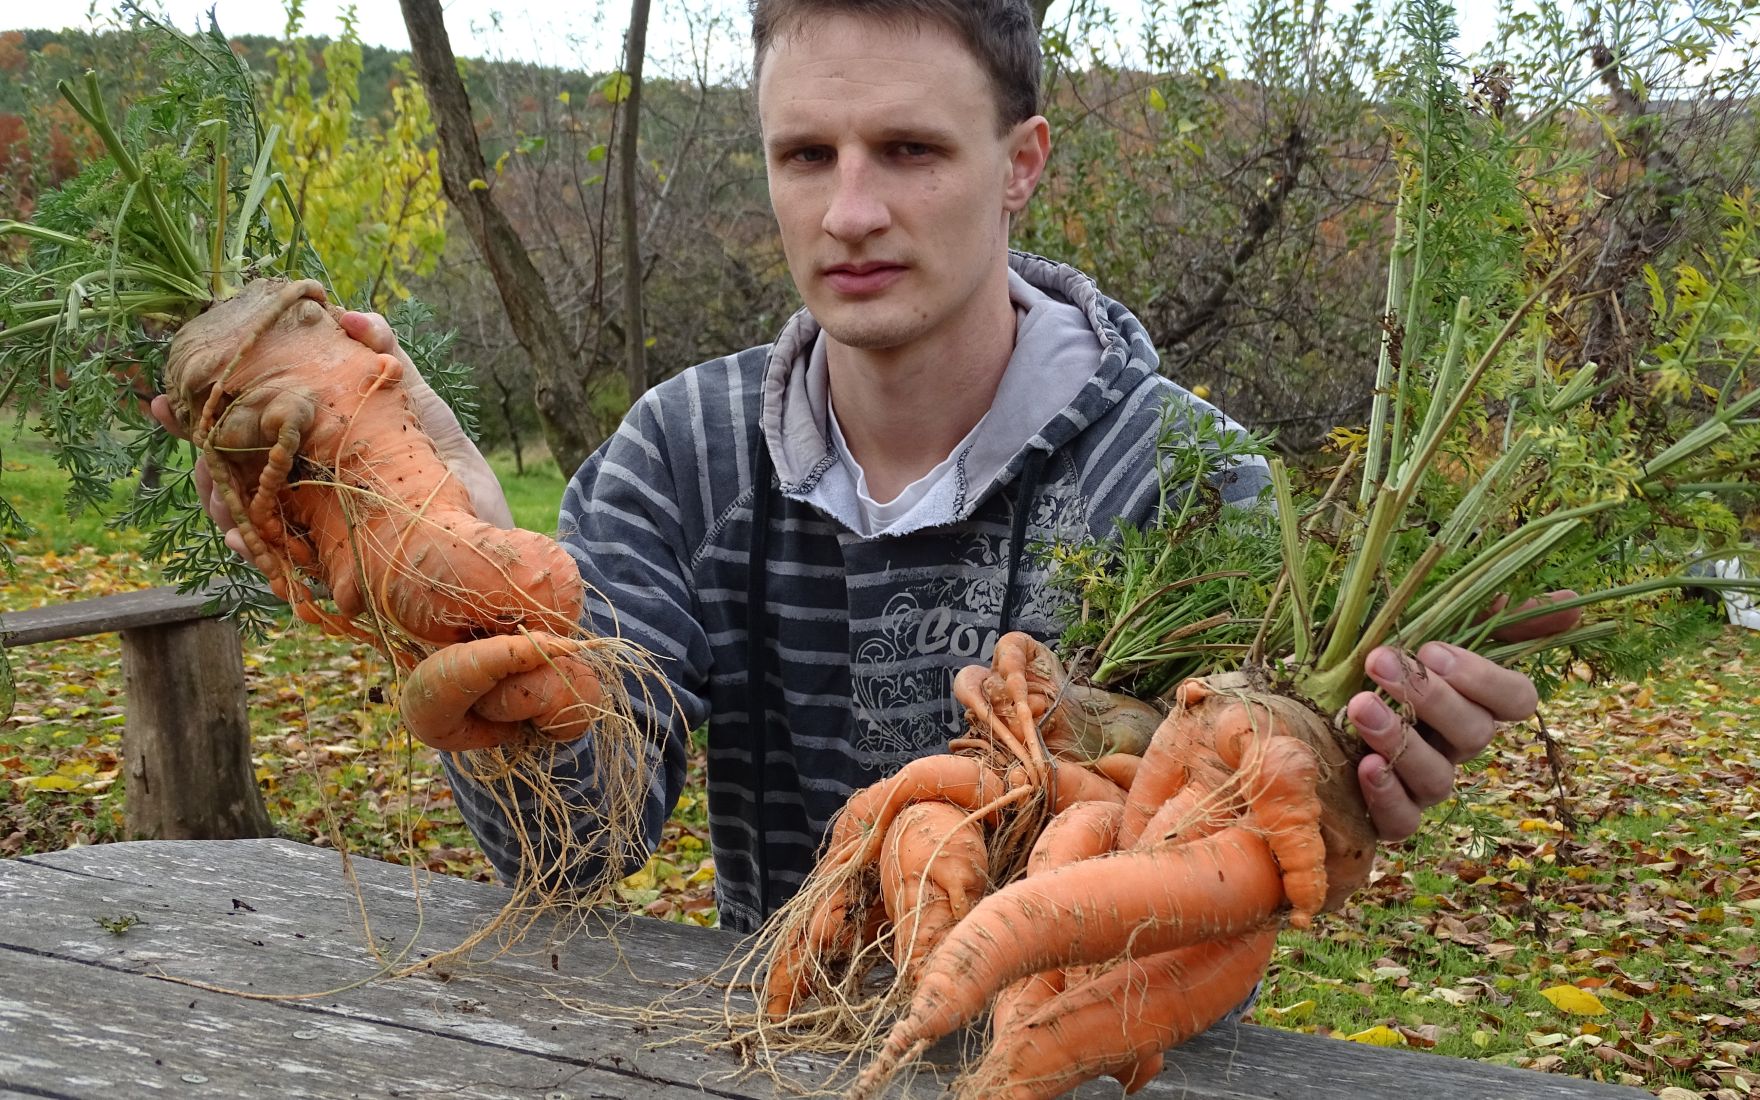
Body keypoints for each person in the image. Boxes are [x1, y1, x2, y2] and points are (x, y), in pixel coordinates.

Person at [156, 0, 1570, 934]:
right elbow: (576, 854)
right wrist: (461, 587)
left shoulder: (1186, 473)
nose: (847, 211)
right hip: (765, 1058)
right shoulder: (679, 456)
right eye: (805, 154)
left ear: (1019, 165)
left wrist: (1352, 768)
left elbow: (1244, 848)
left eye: (907, 150)